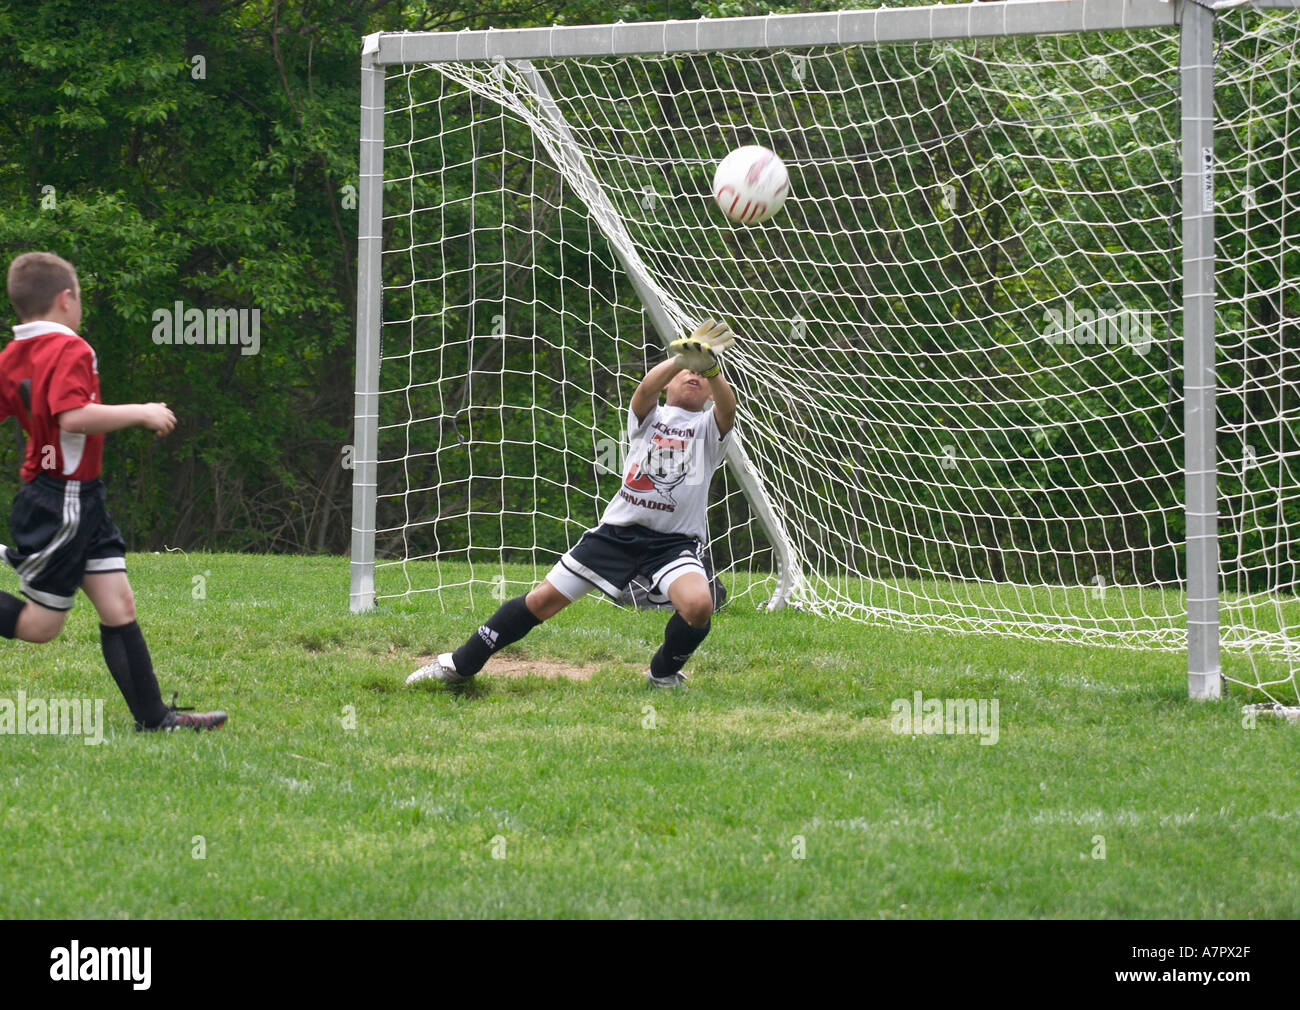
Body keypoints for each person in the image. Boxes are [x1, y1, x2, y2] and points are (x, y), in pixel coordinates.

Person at [408, 320, 738, 689]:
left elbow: (728, 408)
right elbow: (646, 388)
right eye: (686, 372)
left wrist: (713, 370)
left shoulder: (710, 430)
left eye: (701, 375)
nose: (693, 375)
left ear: (710, 391)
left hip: (673, 544)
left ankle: (662, 674)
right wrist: (680, 359)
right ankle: (457, 665)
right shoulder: (651, 418)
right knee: (541, 602)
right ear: (671, 381)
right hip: (616, 535)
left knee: (698, 607)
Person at [0, 252, 227, 731]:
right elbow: (74, 417)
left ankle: (155, 719)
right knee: (42, 627)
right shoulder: (71, 349)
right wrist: (141, 411)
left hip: (80, 498)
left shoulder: (12, 355)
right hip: (61, 501)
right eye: (79, 297)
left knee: (118, 605)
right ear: (66, 299)